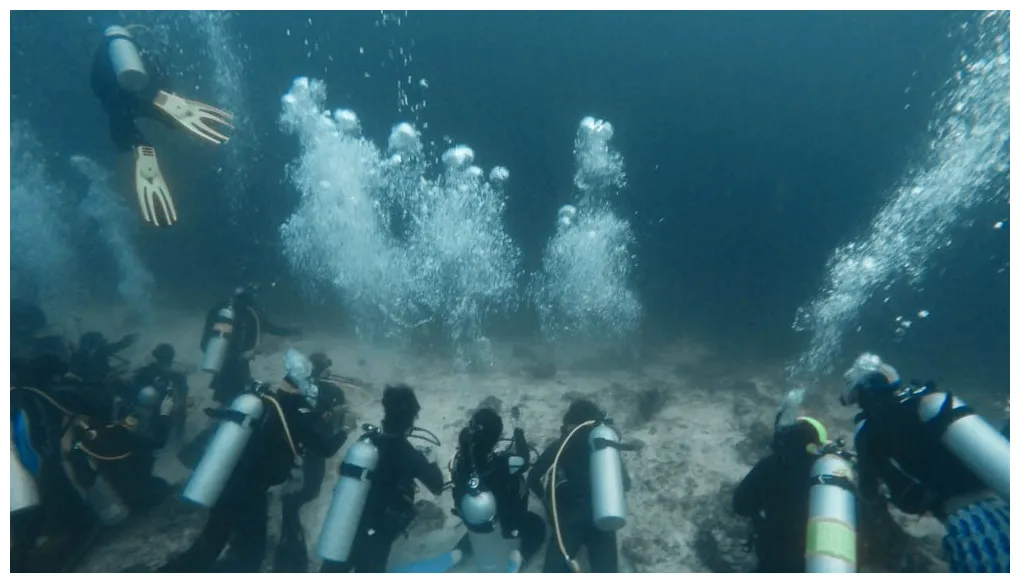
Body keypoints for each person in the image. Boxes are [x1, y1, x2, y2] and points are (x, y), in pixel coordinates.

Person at [159, 349, 348, 573]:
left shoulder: (266, 402)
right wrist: (346, 429)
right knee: (251, 557)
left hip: (226, 478)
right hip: (251, 493)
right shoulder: (297, 416)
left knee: (210, 543)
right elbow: (326, 448)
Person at [842, 352, 1010, 574]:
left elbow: (868, 492)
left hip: (973, 523)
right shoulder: (928, 400)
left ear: (859, 396)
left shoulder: (868, 433)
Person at [91, 24, 233, 228]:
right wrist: (161, 90)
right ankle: (171, 106)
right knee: (160, 105)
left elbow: (99, 90)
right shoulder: (136, 48)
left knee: (123, 131)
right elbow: (157, 70)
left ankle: (142, 148)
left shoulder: (101, 59)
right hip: (148, 95)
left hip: (118, 103)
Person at [320, 384, 445, 573]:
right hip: (378, 532)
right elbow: (437, 485)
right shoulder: (407, 453)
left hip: (348, 523)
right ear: (412, 418)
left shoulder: (366, 442)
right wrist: (432, 460)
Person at [179, 285, 301, 469]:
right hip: (235, 369)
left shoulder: (224, 312)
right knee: (230, 407)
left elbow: (207, 343)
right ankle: (195, 450)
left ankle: (201, 447)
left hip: (225, 367)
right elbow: (267, 327)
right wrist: (246, 353)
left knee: (229, 404)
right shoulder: (248, 315)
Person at [528, 399, 631, 573]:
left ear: (569, 424)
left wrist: (549, 507)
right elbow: (626, 484)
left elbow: (532, 479)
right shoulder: (604, 448)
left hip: (569, 518)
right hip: (601, 516)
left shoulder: (561, 445)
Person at [732, 397, 829, 573]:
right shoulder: (826, 472)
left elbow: (739, 505)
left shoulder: (770, 466)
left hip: (775, 556)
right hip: (820, 560)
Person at [274, 352, 349, 573]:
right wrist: (342, 427)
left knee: (302, 488)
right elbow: (335, 426)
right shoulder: (334, 391)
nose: (330, 371)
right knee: (310, 491)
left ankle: (288, 514)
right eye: (327, 367)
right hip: (315, 448)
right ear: (322, 369)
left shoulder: (294, 389)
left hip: (293, 447)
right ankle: (290, 524)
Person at [449, 406, 545, 569]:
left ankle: (456, 555)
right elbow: (524, 460)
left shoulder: (458, 461)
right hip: (505, 524)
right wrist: (518, 429)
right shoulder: (503, 463)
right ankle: (518, 559)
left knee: (475, 534)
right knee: (538, 526)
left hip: (477, 523)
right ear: (497, 437)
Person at [131, 343, 189, 441]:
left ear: (156, 356)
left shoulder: (144, 371)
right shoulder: (178, 376)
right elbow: (183, 396)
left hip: (142, 408)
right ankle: (178, 438)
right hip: (163, 410)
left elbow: (133, 388)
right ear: (172, 357)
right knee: (181, 412)